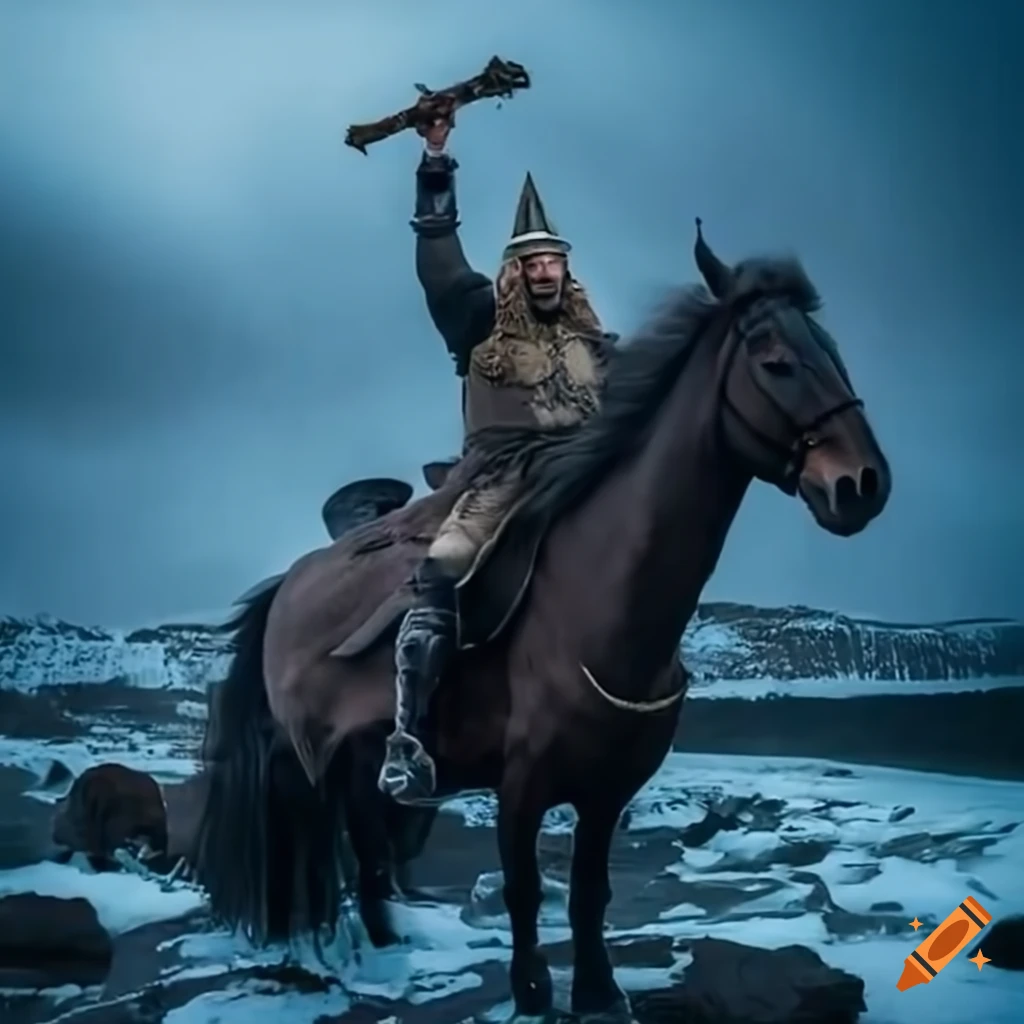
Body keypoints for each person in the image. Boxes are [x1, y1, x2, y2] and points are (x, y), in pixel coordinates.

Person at [379, 116, 617, 803]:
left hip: (581, 472)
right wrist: (434, 162)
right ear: (515, 269)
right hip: (499, 475)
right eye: (531, 261)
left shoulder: (592, 340)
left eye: (554, 260)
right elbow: (437, 258)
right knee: (444, 565)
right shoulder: (480, 315)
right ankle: (409, 739)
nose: (545, 271)